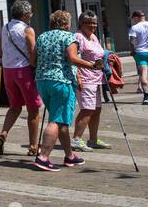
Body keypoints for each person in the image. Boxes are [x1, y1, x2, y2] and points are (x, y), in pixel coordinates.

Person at [33, 10, 101, 171]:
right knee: (56, 120)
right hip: (61, 81)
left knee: (61, 120)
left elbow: (32, 60)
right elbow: (72, 58)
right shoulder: (69, 37)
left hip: (42, 81)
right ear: (67, 23)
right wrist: (92, 66)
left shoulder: (42, 37)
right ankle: (43, 157)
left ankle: (69, 156)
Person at [0, 0, 41, 157]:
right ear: (26, 15)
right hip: (24, 70)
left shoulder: (5, 28)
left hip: (8, 71)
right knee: (33, 110)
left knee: (15, 107)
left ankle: (3, 133)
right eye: (30, 13)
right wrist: (35, 67)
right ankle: (33, 146)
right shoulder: (27, 30)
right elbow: (33, 51)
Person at [71, 11, 111, 152]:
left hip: (97, 78)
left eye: (94, 23)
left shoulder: (93, 37)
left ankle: (93, 139)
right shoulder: (78, 37)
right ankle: (76, 139)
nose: (92, 26)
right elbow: (74, 58)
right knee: (87, 109)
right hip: (85, 78)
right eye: (89, 23)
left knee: (97, 109)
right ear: (81, 23)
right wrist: (78, 77)